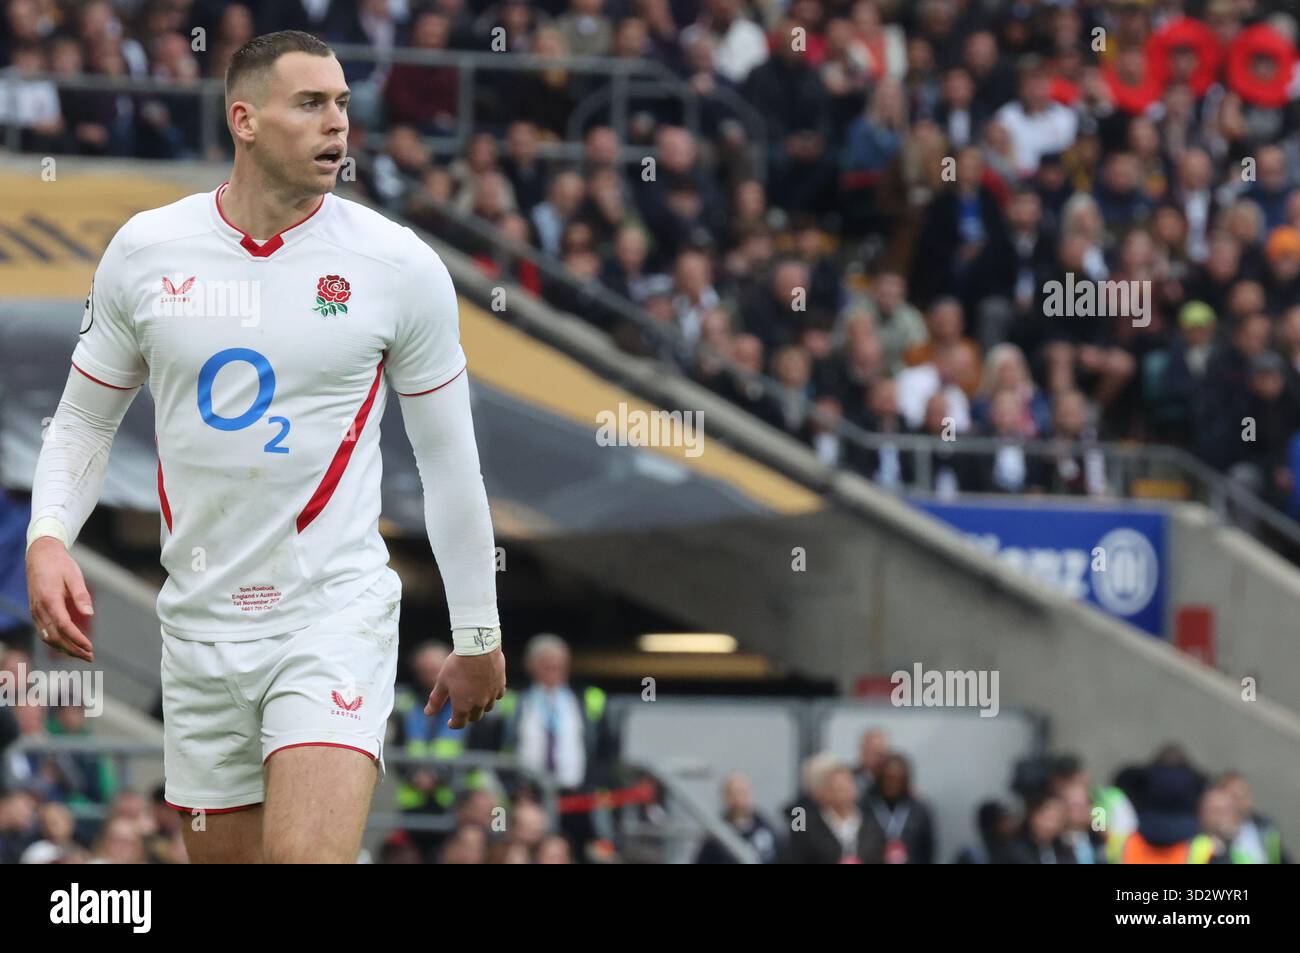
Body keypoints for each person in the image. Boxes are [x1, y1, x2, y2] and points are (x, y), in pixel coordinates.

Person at [23, 31, 506, 863]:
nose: (337, 123)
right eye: (310, 104)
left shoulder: (397, 266)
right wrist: (47, 535)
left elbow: (449, 463)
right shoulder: (146, 251)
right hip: (199, 627)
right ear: (243, 120)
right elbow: (82, 423)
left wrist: (477, 629)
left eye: (342, 103)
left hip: (331, 615)